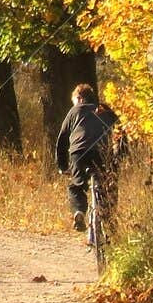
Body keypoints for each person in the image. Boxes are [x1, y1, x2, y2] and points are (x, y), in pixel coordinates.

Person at [55, 83, 118, 232]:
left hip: (79, 152)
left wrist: (62, 166)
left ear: (79, 98)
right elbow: (121, 133)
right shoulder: (106, 110)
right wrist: (119, 156)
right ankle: (108, 220)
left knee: (76, 186)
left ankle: (79, 211)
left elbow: (62, 140)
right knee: (109, 185)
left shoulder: (74, 111)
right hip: (102, 152)